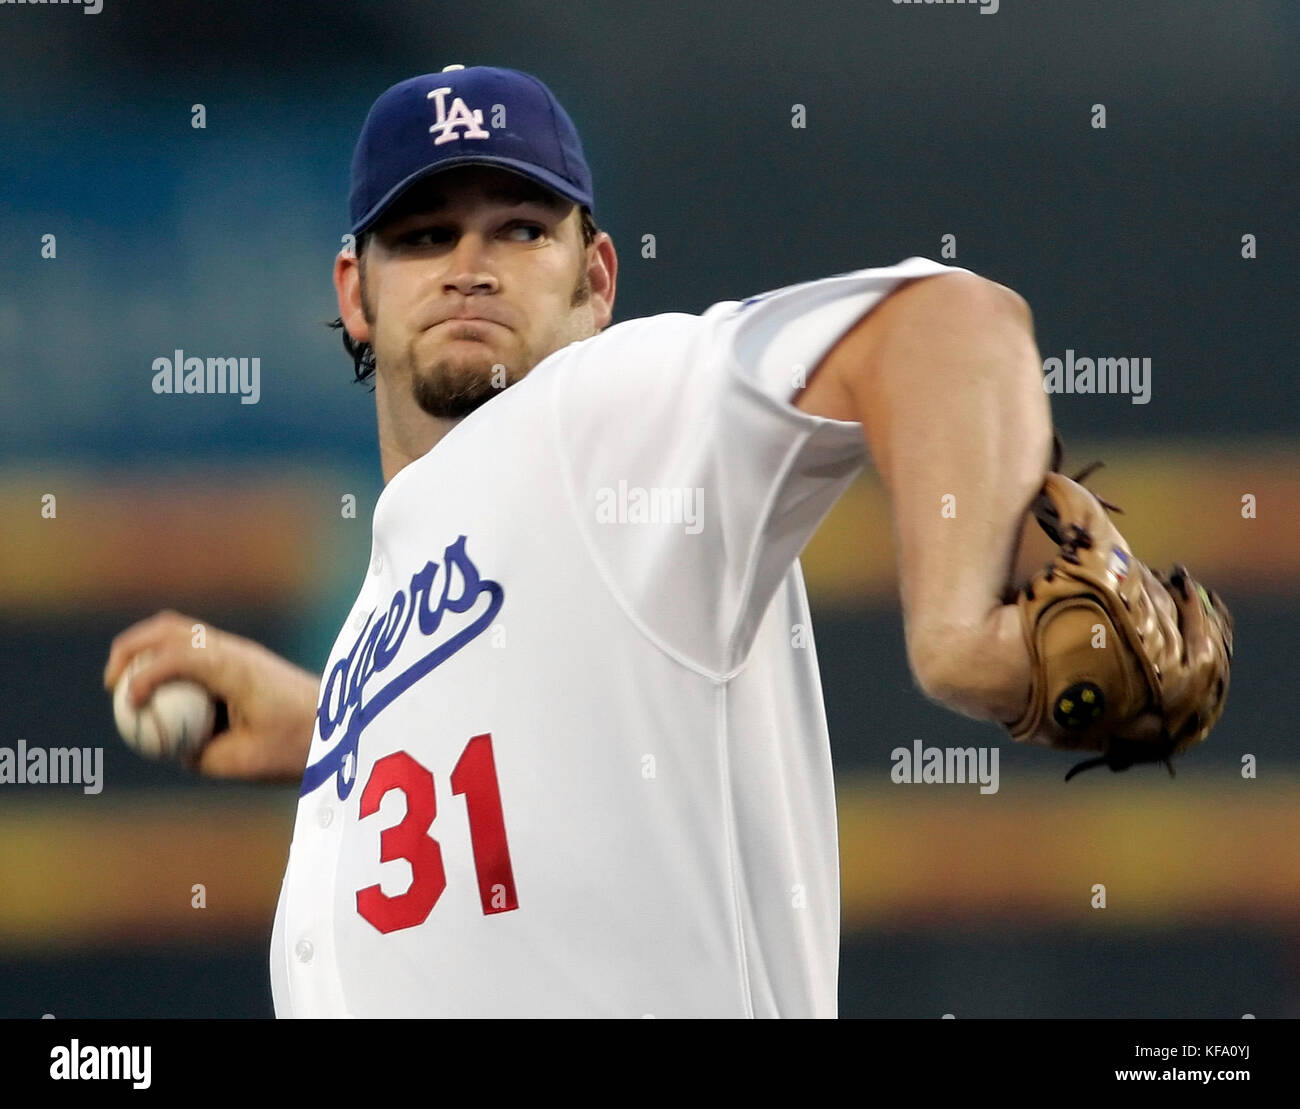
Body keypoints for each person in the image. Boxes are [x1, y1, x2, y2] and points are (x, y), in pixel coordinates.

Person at [104, 64, 1056, 1017]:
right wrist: (333, 732)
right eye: (425, 234)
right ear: (358, 293)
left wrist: (958, 630)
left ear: (596, 279)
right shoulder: (394, 598)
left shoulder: (608, 417)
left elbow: (944, 320)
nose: (469, 263)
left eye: (519, 228)